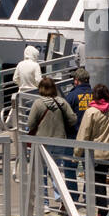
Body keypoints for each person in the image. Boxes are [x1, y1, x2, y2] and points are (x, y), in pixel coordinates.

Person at [74, 83, 109, 216]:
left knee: (97, 183)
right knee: (101, 180)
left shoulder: (91, 112)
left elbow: (84, 133)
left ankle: (102, 214)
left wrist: (77, 152)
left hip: (94, 154)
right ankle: (102, 212)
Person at [27, 77, 76, 207]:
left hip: (42, 142)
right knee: (57, 171)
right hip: (60, 140)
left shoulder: (38, 103)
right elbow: (72, 119)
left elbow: (30, 124)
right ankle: (61, 199)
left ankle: (45, 203)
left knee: (42, 172)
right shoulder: (62, 102)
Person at [63, 67, 93, 201]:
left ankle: (73, 196)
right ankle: (89, 195)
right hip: (91, 137)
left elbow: (65, 116)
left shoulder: (72, 96)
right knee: (90, 167)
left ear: (76, 81)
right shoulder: (94, 94)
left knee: (70, 168)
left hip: (73, 136)